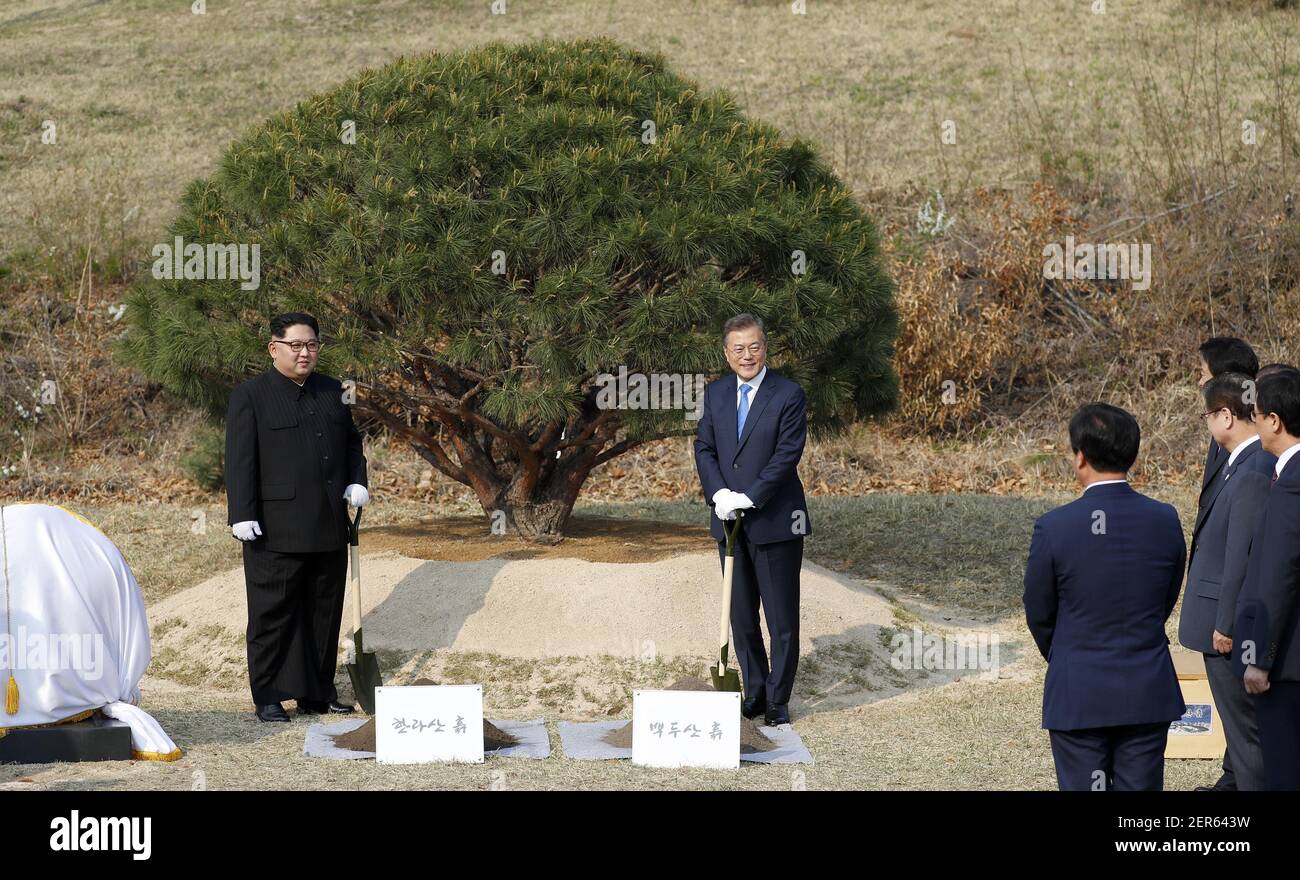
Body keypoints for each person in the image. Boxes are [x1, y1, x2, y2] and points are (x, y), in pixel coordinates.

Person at [1023, 403, 1186, 790]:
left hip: (1079, 688)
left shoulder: (1055, 527)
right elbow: (1167, 594)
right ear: (1132, 454)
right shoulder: (1164, 519)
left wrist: (1067, 652)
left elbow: (1038, 609)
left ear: (1080, 457)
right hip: (1146, 686)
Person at [225, 312, 369, 722]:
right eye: (296, 346)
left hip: (328, 522)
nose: (305, 353)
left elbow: (352, 444)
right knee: (274, 612)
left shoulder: (335, 390)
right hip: (274, 528)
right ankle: (268, 693)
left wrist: (358, 480)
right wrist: (241, 513)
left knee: (323, 613)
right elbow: (239, 458)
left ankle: (317, 693)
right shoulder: (251, 395)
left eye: (311, 345)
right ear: (274, 349)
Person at [694, 313, 810, 726]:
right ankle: (755, 691)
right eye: (738, 349)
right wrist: (720, 493)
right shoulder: (716, 394)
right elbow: (704, 447)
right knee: (741, 616)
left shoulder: (788, 394)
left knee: (780, 617)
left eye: (754, 346)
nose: (748, 355)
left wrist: (751, 495)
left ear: (766, 347)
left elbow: (786, 454)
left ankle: (778, 699)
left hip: (776, 522)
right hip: (728, 521)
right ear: (727, 355)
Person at [1177, 373, 1273, 791]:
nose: (1208, 425)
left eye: (1208, 416)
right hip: (1221, 618)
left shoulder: (1252, 469)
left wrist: (1226, 622)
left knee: (1246, 735)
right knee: (1241, 734)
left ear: (1226, 416)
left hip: (1225, 627)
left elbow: (1242, 555)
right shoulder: (1242, 465)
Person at [1235, 367, 1300, 789]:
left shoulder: (1291, 485)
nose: (1253, 423)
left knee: (1284, 772)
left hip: (1290, 665)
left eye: (1255, 414)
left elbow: (1279, 577)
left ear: (1273, 420)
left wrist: (1260, 658)